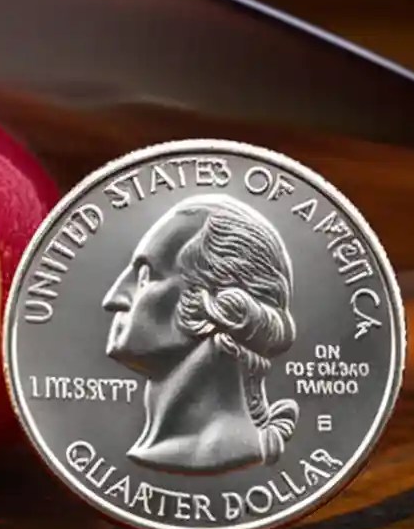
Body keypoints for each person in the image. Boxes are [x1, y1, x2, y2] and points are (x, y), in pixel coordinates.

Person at [102, 194, 299, 475]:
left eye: (146, 275)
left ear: (217, 306)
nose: (113, 298)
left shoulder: (215, 450)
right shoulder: (164, 449)